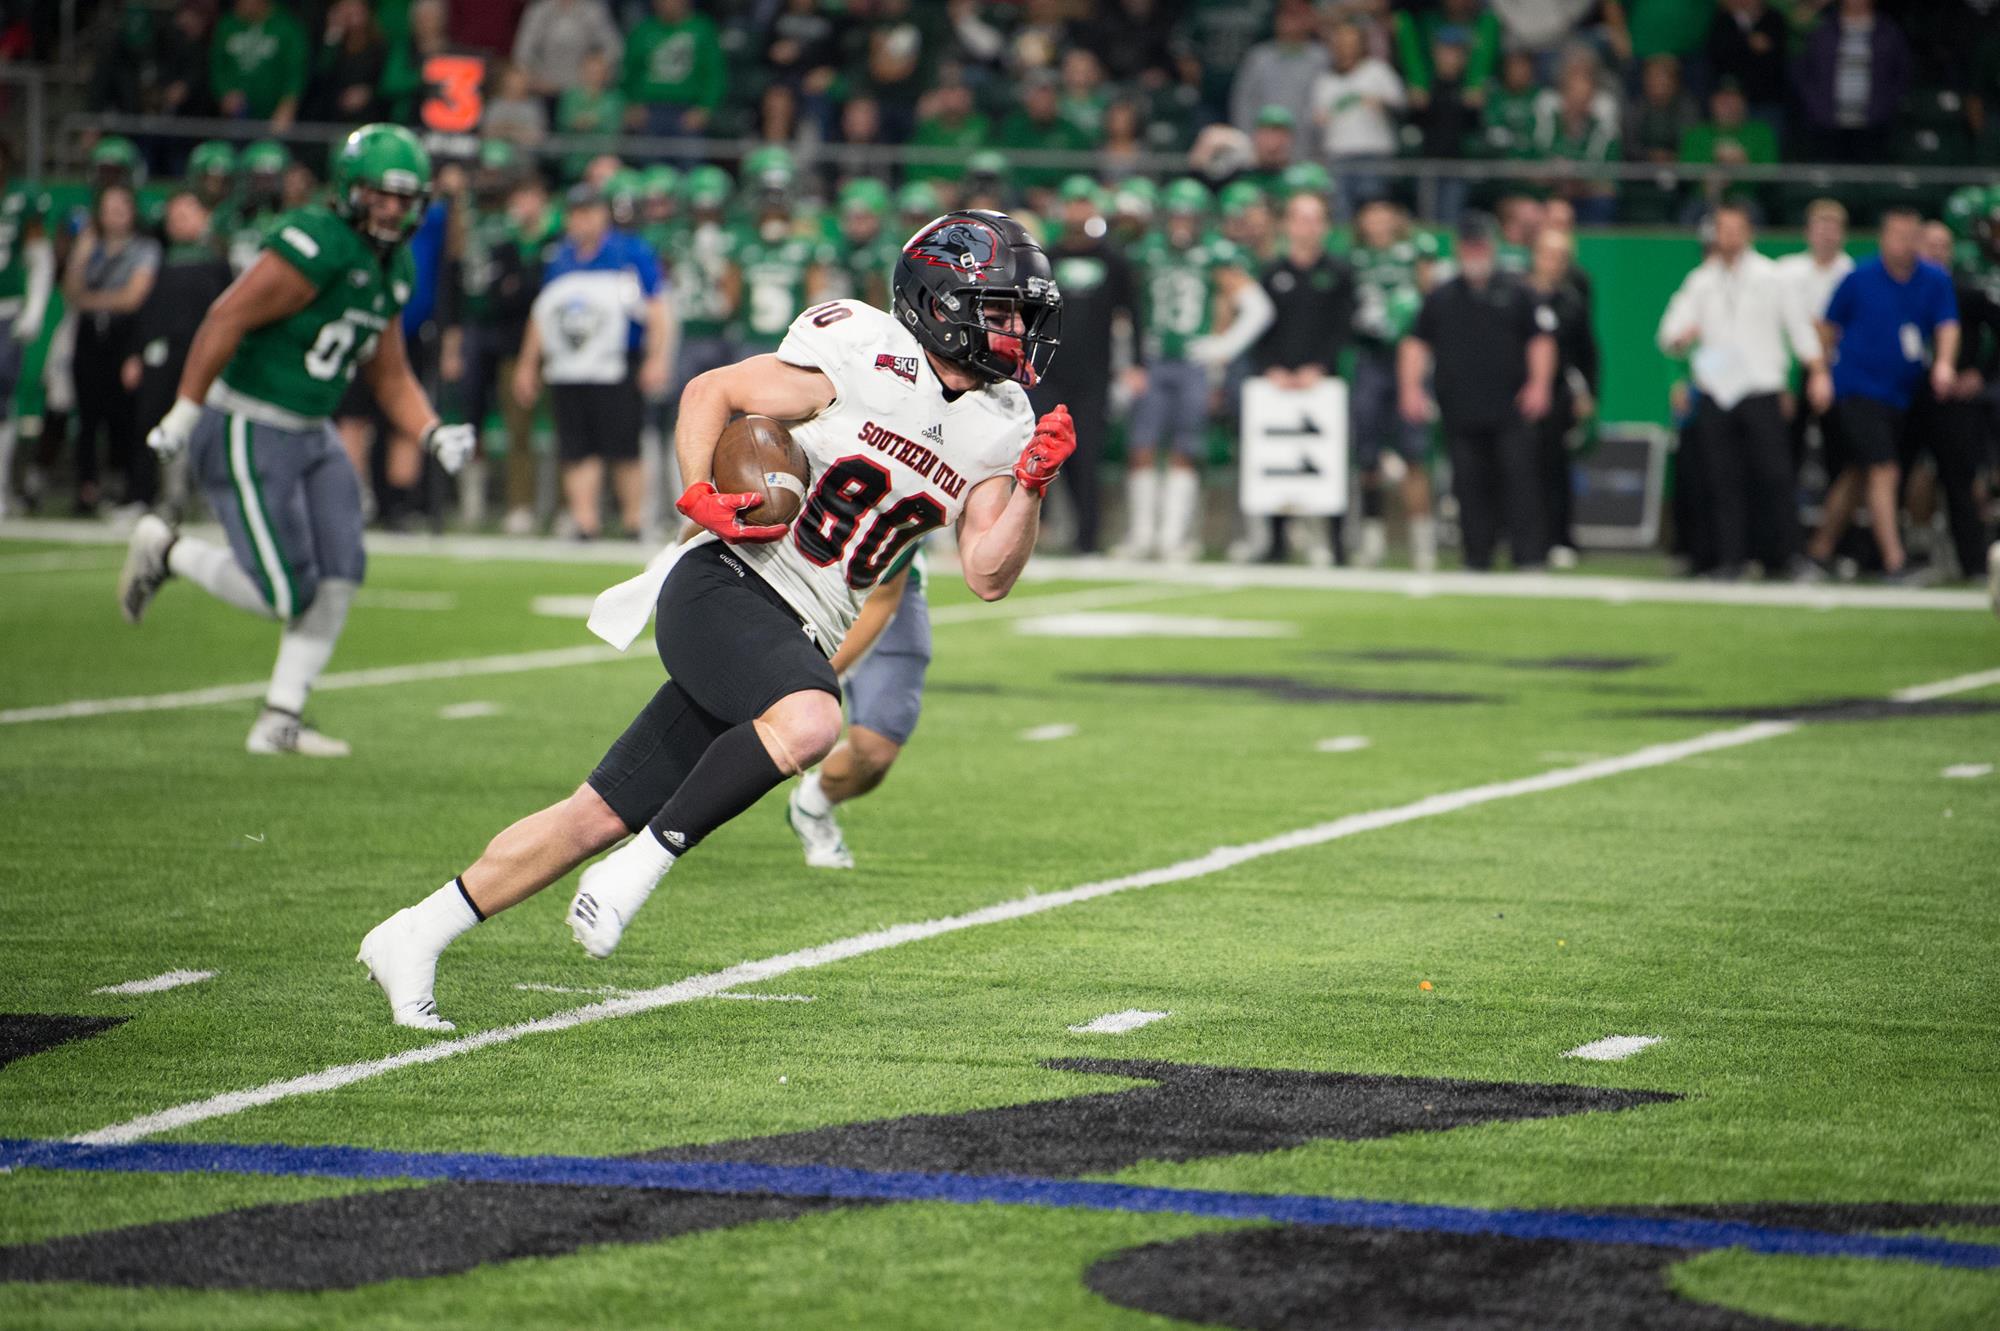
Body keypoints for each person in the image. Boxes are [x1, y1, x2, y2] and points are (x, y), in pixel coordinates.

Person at [357, 211, 1072, 1031]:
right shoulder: (866, 353)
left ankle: (415, 931)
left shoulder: (1002, 419)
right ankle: (633, 875)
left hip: (797, 626)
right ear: (941, 298)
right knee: (810, 720)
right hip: (726, 583)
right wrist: (697, 485)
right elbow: (714, 390)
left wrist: (1031, 487)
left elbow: (988, 573)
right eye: (1003, 307)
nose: (1017, 329)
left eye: (1022, 312)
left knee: (591, 812)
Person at [116, 125, 476, 757]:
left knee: (342, 570)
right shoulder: (318, 244)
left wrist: (431, 430)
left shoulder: (394, 263)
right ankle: (165, 549)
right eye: (381, 194)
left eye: (406, 197)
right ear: (351, 190)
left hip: (312, 430)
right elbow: (226, 316)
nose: (394, 208)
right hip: (246, 422)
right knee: (284, 591)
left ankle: (279, 718)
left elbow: (387, 371)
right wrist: (185, 408)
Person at [1656, 203, 1823, 580]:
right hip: (1717, 391)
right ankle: (1730, 559)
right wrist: (1679, 338)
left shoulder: (1772, 277)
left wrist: (1816, 370)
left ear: (1749, 233)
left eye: (1735, 229)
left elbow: (1799, 328)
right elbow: (1669, 331)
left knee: (1775, 477)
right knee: (1721, 479)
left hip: (1761, 388)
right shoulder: (1701, 280)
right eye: (1722, 229)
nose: (1728, 237)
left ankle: (1787, 558)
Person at [1118, 179, 1273, 562]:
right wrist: (1128, 356)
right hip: (1153, 361)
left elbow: (1258, 308)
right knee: (1141, 445)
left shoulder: (1215, 255)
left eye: (1189, 215)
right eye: (1176, 214)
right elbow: (1125, 308)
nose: (1182, 223)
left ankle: (1171, 537)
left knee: (1185, 449)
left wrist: (1223, 347)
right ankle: (1142, 535)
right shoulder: (1148, 252)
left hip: (1191, 362)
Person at [1801, 209, 1959, 582]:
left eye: (1909, 236)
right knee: (1883, 469)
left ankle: (1819, 551)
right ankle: (1894, 561)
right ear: (1882, 238)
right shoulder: (1858, 278)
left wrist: (1944, 364)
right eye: (1895, 235)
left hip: (1900, 395)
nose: (1902, 243)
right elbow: (1826, 327)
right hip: (1856, 389)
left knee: (1859, 473)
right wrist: (1821, 373)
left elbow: (1947, 325)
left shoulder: (1933, 280)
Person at [1398, 213, 1557, 571]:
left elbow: (1540, 341)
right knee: (1468, 484)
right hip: (1460, 406)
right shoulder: (1441, 296)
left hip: (1511, 404)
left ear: (1492, 247)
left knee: (1520, 481)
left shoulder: (1518, 291)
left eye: (1481, 245)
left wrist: (1539, 384)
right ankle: (1476, 554)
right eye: (1468, 246)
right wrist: (1410, 388)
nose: (1475, 253)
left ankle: (1528, 554)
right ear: (1458, 249)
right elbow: (1416, 343)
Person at [514, 183, 671, 541]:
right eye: (575, 213)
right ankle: (586, 521)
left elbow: (657, 308)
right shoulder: (559, 257)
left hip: (616, 362)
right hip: (570, 366)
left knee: (624, 447)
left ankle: (633, 521)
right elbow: (543, 313)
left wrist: (656, 357)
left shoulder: (629, 252)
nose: (581, 221)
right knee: (577, 447)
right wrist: (528, 363)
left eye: (588, 212)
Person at [785, 550, 929, 869]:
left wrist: (818, 675)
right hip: (787, 575)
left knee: (875, 752)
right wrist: (678, 552)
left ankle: (813, 803)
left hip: (881, 590)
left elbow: (882, 598)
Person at [1033, 175, 1140, 555]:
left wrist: (1135, 364)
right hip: (1049, 373)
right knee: (1039, 454)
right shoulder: (1048, 258)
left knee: (1087, 458)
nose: (1079, 211)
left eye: (1085, 203)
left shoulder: (1113, 259)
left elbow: (1133, 313)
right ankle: (1036, 533)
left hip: (1094, 375)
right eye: (1073, 202)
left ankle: (1088, 538)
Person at [1251, 191, 1354, 564]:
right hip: (1278, 379)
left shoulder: (1339, 273)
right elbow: (1259, 326)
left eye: (1314, 218)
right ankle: (1276, 542)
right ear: (1287, 225)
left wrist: (1321, 367)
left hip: (1323, 381)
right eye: (1299, 217)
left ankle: (1337, 543)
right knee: (1274, 454)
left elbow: (1343, 327)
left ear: (1325, 226)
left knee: (1329, 457)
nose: (1306, 226)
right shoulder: (1271, 272)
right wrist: (1271, 367)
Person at [123, 191, 234, 513]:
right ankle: (143, 495)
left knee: (208, 425)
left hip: (202, 352)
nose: (179, 223)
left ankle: (206, 497)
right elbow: (147, 310)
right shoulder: (158, 255)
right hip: (161, 352)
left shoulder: (216, 260)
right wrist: (136, 353)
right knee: (150, 421)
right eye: (174, 217)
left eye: (186, 215)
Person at [1346, 199, 1438, 571]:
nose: (1379, 223)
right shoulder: (1355, 259)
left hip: (1410, 356)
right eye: (1372, 216)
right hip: (1370, 358)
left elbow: (1429, 300)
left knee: (1415, 454)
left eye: (1386, 215)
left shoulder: (1414, 252)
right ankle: (1373, 540)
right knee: (1368, 456)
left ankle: (1423, 543)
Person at [1906, 220, 1997, 581]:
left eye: (1944, 245)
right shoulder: (1904, 289)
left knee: (1960, 480)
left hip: (1954, 400)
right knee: (1899, 474)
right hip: (1907, 396)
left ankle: (1972, 563)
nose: (1937, 251)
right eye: (1930, 244)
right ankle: (1907, 555)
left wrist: (1980, 373)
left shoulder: (1965, 292)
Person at [62, 184, 161, 514]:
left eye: (121, 209)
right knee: (87, 416)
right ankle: (87, 486)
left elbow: (133, 298)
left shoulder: (144, 248)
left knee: (125, 414)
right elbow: (71, 292)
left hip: (124, 337)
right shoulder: (91, 247)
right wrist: (82, 252)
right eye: (108, 209)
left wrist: (91, 300)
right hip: (90, 336)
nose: (114, 216)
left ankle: (125, 485)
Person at [1525, 226, 1598, 567]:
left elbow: (1588, 352)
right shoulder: (1517, 295)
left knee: (1555, 465)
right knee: (1519, 466)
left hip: (1558, 393)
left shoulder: (1572, 301)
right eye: (1547, 254)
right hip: (1518, 392)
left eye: (1560, 257)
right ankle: (1521, 536)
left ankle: (1559, 538)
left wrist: (1589, 393)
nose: (1553, 263)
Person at [0, 156, 53, 517]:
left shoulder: (20, 198)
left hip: (5, 310)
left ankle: (0, 486)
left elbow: (40, 258)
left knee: (2, 402)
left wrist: (34, 310)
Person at [1310, 21, 1406, 219]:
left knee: (1372, 209)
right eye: (1341, 42)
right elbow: (1315, 118)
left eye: (1352, 42)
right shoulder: (1325, 80)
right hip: (1338, 153)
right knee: (1340, 211)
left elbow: (1403, 108)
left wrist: (1383, 104)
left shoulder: (1377, 71)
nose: (1347, 47)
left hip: (1374, 152)